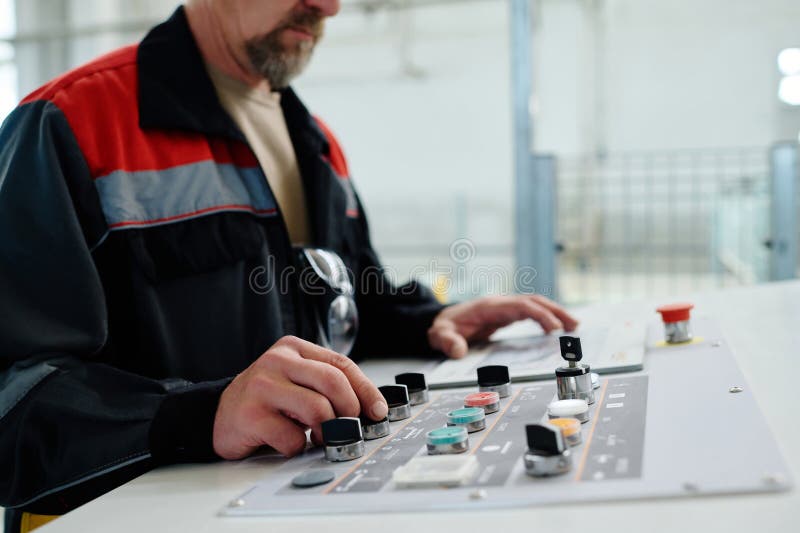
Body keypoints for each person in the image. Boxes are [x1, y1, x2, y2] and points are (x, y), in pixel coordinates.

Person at [0, 0, 577, 529]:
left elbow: (336, 302)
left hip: (288, 505)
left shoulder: (316, 142)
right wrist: (200, 415)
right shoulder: (69, 125)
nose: (328, 5)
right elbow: (13, 401)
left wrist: (425, 319)